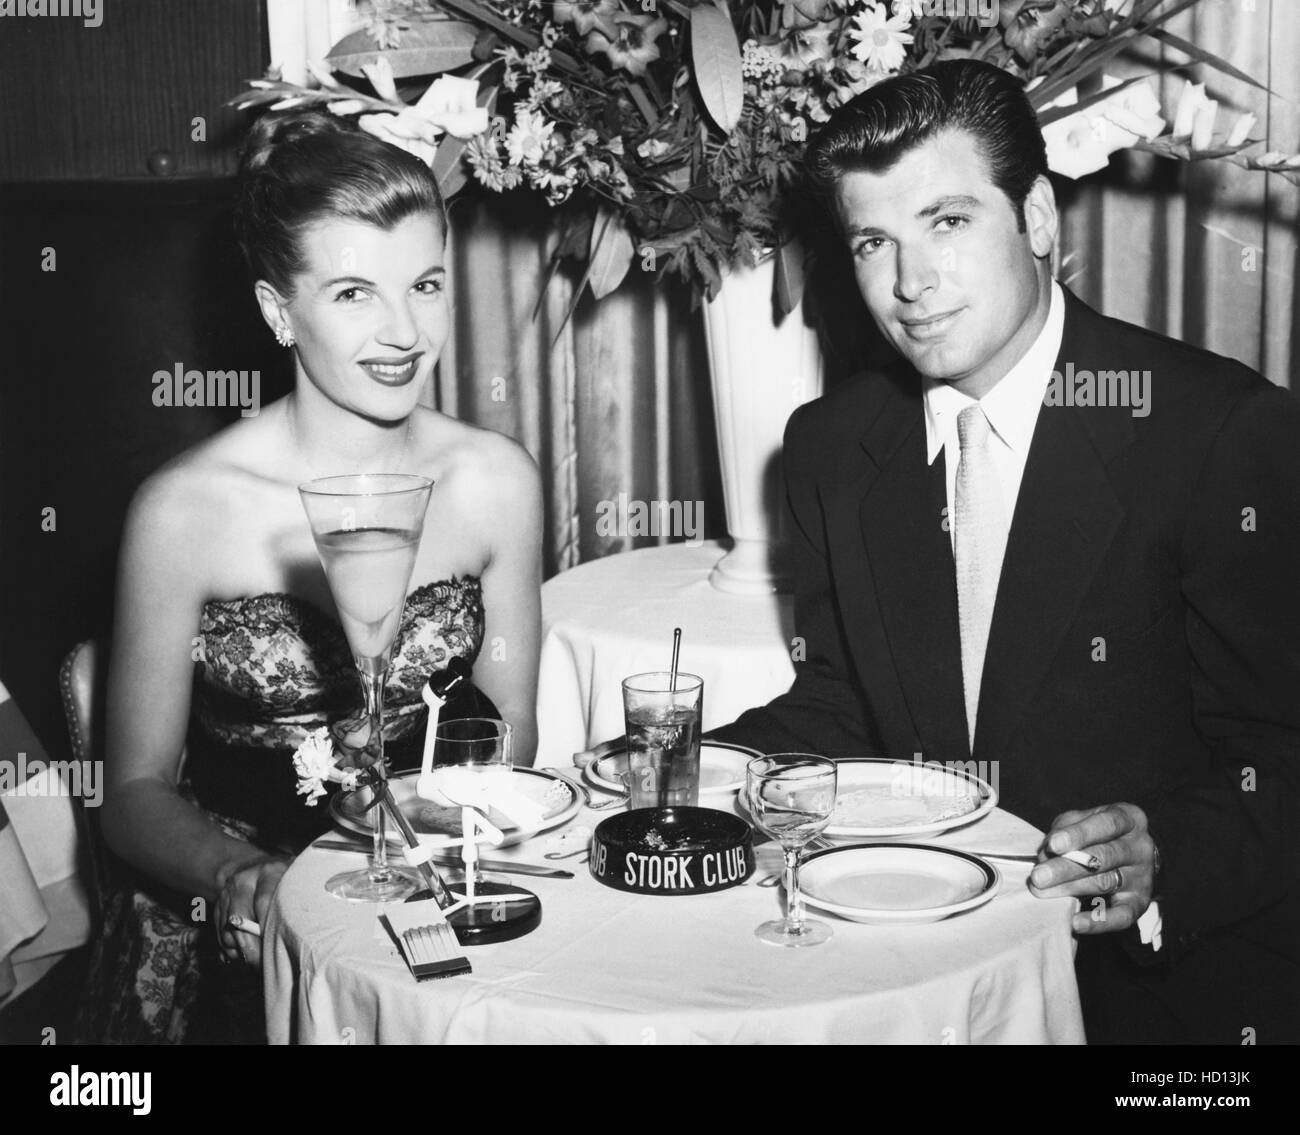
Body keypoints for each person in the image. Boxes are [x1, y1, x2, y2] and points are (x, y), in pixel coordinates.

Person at [711, 60, 1300, 1044]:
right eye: (872, 243)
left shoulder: (1216, 434)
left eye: (946, 222)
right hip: (914, 968)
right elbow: (845, 701)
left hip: (1168, 1001)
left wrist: (1162, 853)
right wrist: (703, 767)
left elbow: (1283, 755)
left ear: (1034, 218)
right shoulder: (831, 444)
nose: (909, 283)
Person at [82, 111, 543, 1043]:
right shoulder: (184, 510)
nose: (404, 332)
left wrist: (438, 825)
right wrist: (234, 876)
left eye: (424, 284)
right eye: (353, 294)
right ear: (276, 310)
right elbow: (130, 793)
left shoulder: (496, 481)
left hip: (427, 887)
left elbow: (514, 730)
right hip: (230, 925)